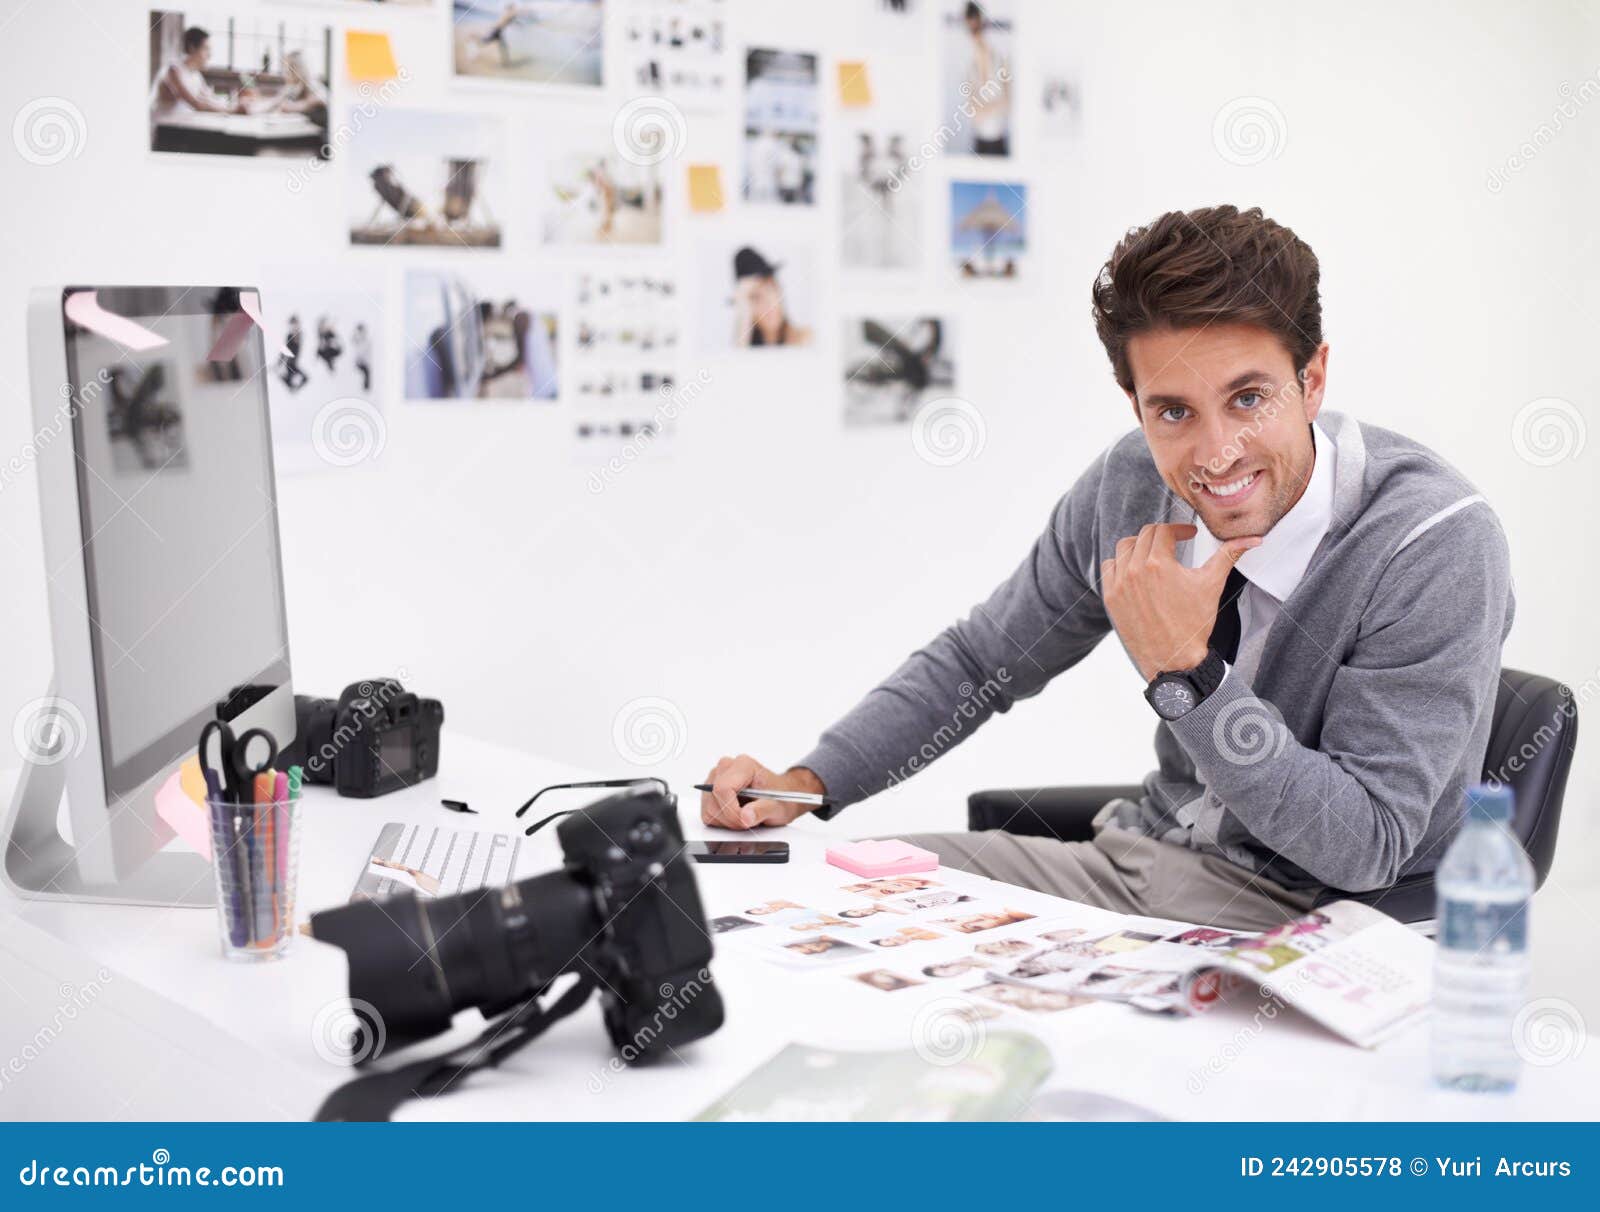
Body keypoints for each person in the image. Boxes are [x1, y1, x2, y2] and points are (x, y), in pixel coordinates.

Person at [701, 204, 1514, 932]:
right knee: (825, 894)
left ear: (1313, 381)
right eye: (1174, 411)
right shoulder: (1131, 486)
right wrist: (807, 782)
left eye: (1248, 398)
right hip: (1141, 869)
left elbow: (1367, 844)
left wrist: (1188, 674)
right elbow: (982, 662)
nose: (1216, 453)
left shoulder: (1431, 543)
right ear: (1137, 406)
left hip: (1319, 922)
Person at [151, 26, 243, 120]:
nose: (209, 55)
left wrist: (236, 105)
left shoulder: (196, 75)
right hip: (161, 125)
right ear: (192, 48)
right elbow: (197, 104)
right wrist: (234, 110)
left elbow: (210, 99)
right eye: (206, 49)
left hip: (181, 124)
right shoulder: (173, 71)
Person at [731, 246, 813, 347]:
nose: (768, 304)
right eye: (756, 298)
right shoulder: (744, 346)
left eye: (769, 290)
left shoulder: (808, 340)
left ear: (779, 290)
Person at [961, 3, 1011, 156]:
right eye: (971, 29)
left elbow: (1007, 104)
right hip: (979, 142)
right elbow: (973, 112)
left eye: (977, 27)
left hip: (1000, 140)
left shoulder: (999, 56)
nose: (975, 34)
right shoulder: (968, 63)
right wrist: (995, 106)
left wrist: (984, 108)